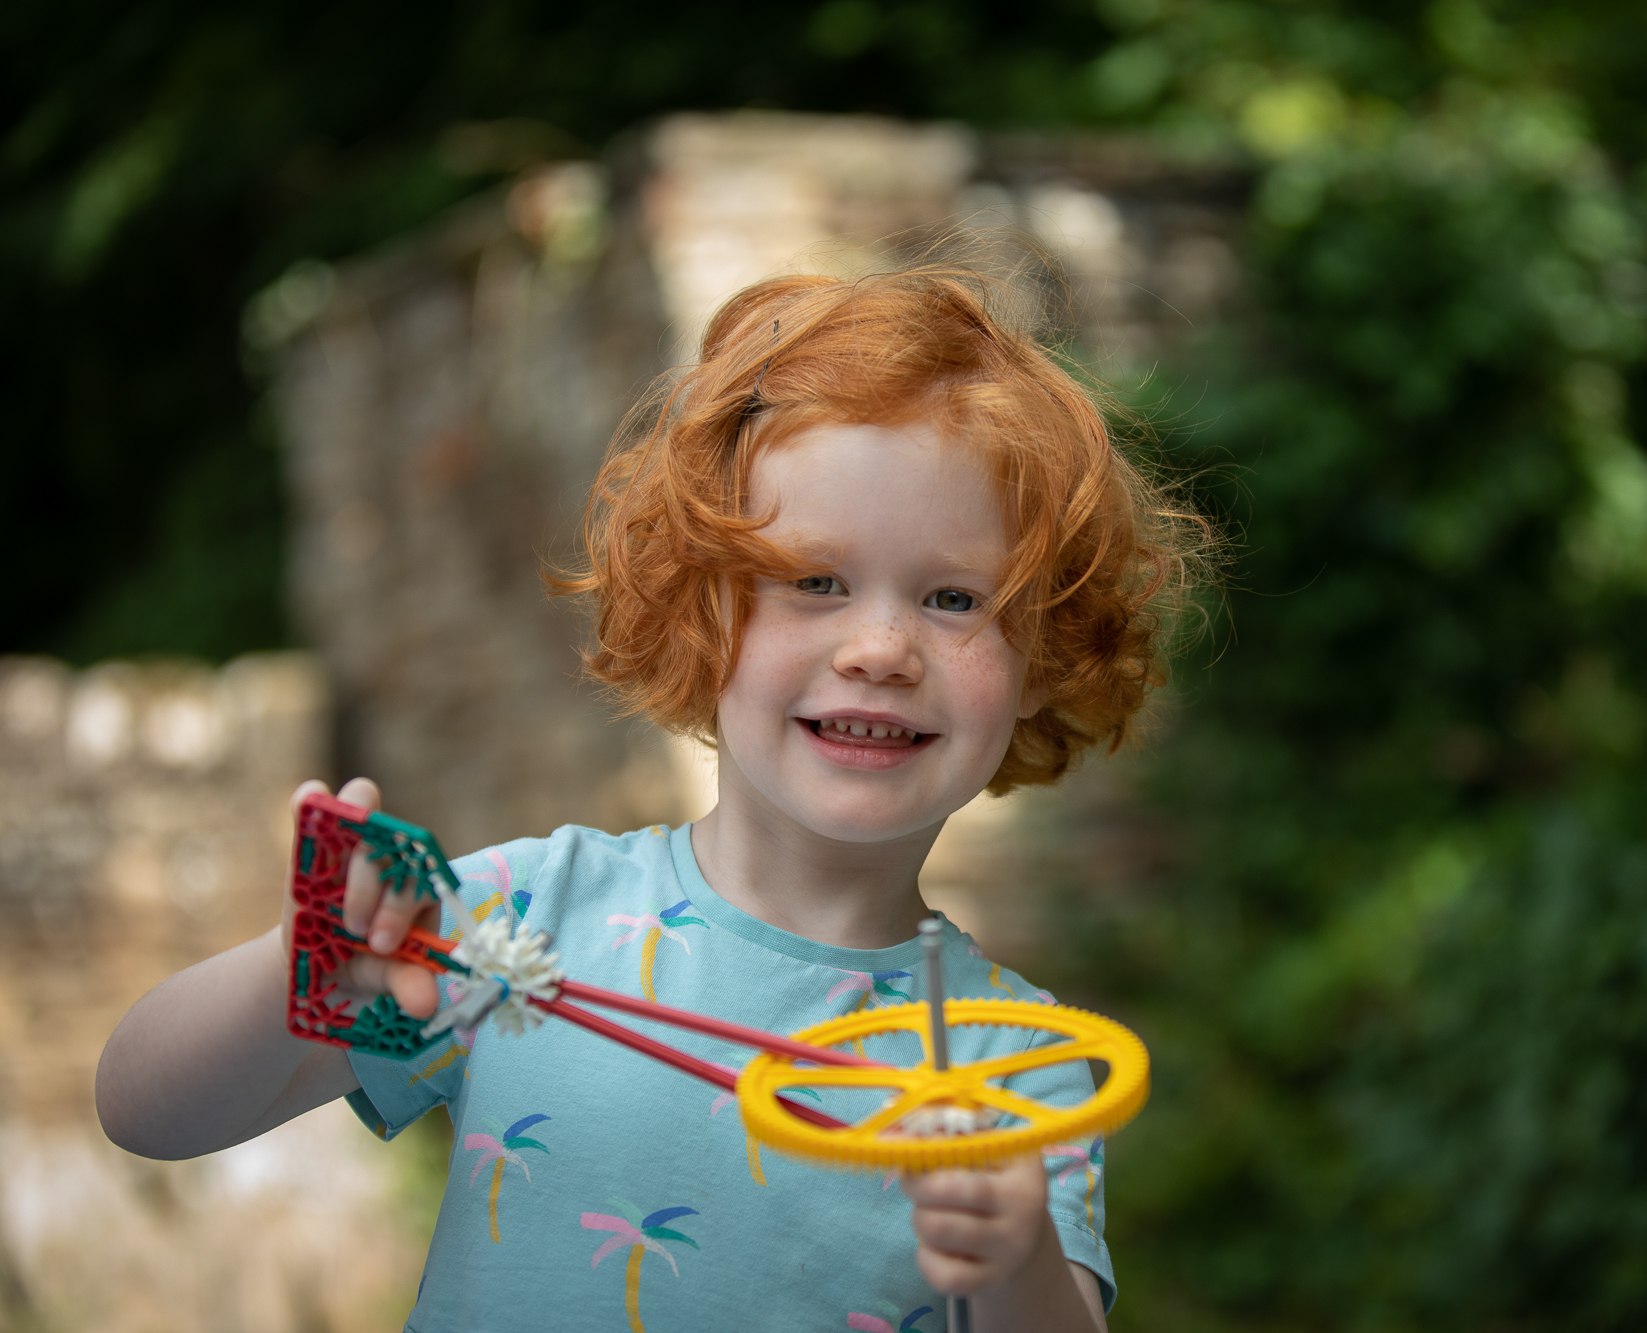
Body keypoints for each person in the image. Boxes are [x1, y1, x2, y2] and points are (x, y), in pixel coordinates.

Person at [96, 264, 1204, 1331]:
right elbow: (145, 1111)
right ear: (696, 611)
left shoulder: (1013, 1063)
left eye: (953, 597)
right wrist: (302, 957)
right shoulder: (519, 921)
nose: (879, 647)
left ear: (1041, 662)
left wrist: (1012, 1257)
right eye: (814, 580)